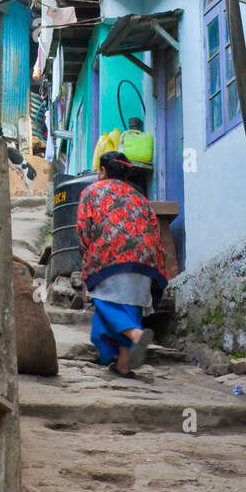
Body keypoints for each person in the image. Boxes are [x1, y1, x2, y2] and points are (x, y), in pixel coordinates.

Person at [75, 151, 167, 377]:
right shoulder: (140, 197)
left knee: (106, 303)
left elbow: (83, 229)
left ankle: (135, 335)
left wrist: (87, 258)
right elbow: (155, 232)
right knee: (130, 307)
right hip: (146, 259)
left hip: (111, 255)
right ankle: (123, 365)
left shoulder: (92, 191)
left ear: (103, 171)